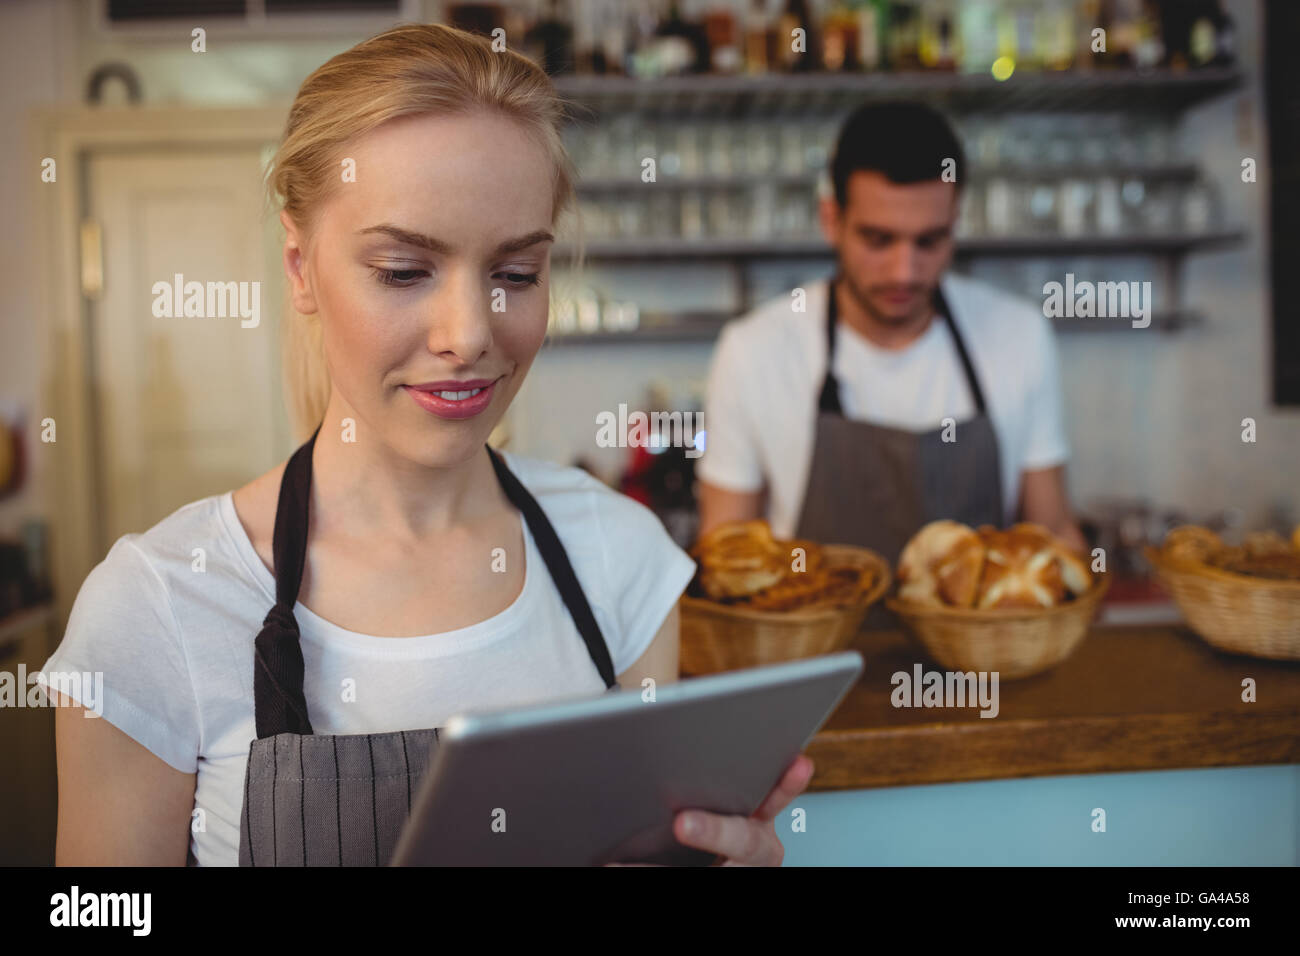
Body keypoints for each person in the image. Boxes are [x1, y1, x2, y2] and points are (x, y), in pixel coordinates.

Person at [39, 24, 809, 867]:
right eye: (405, 271)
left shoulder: (620, 560)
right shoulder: (158, 608)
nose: (469, 334)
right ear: (300, 267)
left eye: (515, 275)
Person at [696, 101, 1087, 563]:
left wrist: (1076, 585)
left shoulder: (1019, 336)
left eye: (929, 241)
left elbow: (1052, 529)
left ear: (955, 223)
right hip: (817, 638)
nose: (904, 271)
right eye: (878, 240)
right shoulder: (753, 352)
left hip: (978, 636)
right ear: (831, 221)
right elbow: (725, 556)